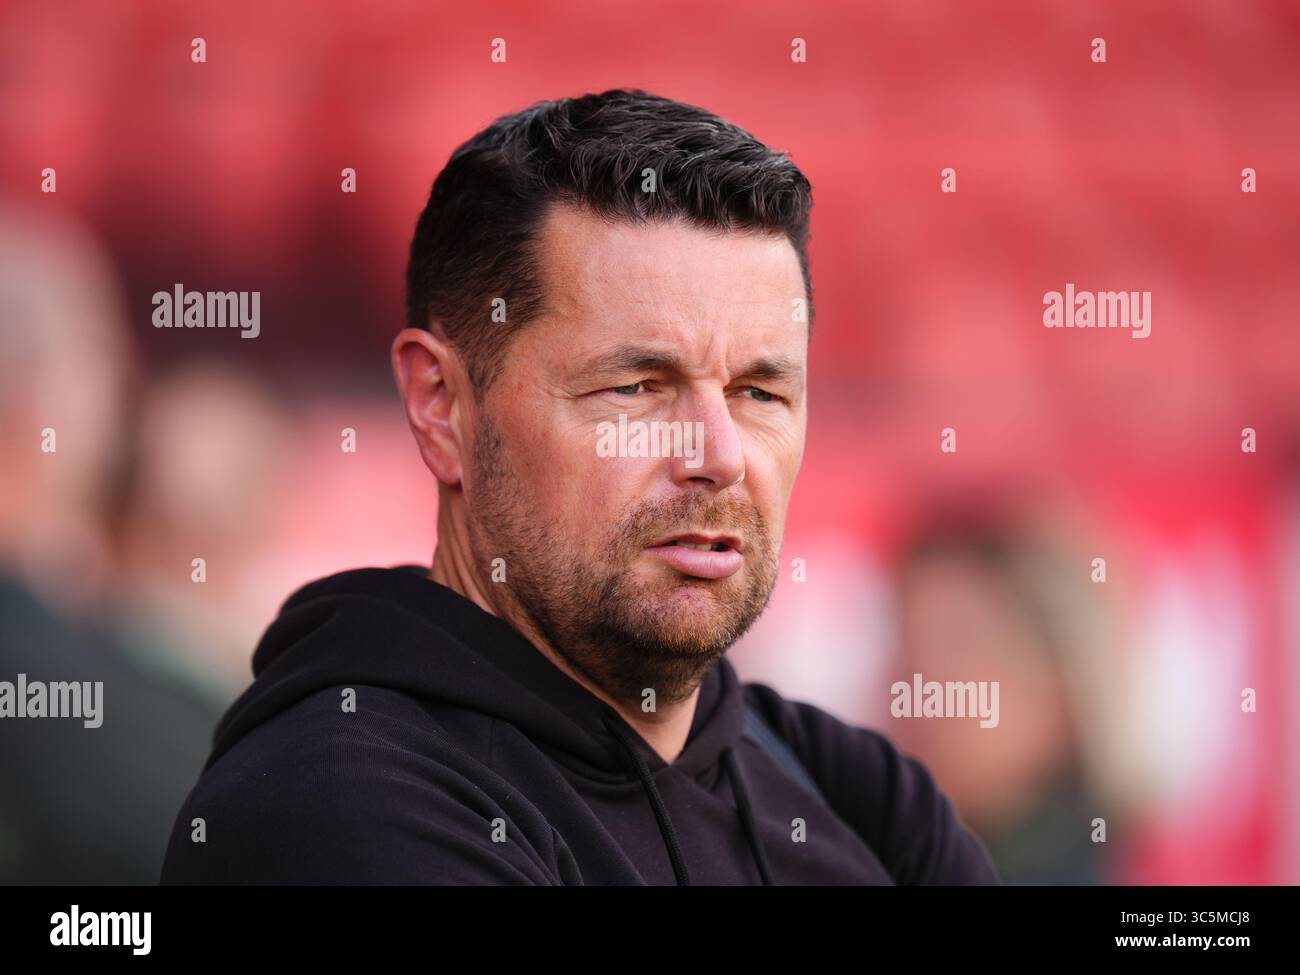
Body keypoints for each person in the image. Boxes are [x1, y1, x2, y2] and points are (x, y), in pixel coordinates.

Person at [161, 88, 1001, 885]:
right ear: (441, 404)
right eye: (635, 386)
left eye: (759, 392)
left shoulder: (860, 792)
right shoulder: (333, 805)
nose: (718, 454)